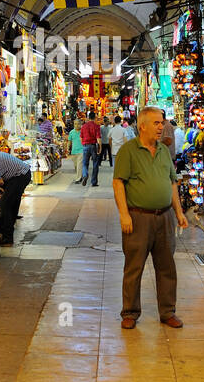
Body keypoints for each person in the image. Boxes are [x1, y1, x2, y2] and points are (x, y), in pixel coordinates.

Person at [112, 105, 188, 329]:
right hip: (138, 218)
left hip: (164, 217)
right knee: (134, 267)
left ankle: (167, 312)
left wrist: (179, 211)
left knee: (166, 267)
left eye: (162, 122)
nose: (161, 127)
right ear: (142, 126)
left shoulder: (164, 151)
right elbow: (118, 183)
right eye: (156, 123)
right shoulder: (128, 150)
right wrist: (124, 214)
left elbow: (172, 182)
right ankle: (130, 312)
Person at [78, 111, 102, 186]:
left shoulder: (84, 126)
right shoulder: (96, 126)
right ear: (95, 118)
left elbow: (81, 138)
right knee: (95, 164)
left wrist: (83, 144)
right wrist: (100, 147)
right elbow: (98, 138)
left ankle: (85, 175)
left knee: (85, 163)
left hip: (85, 146)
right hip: (93, 146)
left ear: (88, 118)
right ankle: (94, 182)